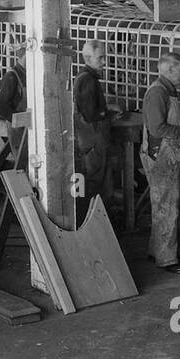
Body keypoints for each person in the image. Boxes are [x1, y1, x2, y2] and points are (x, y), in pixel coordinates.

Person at [141, 49, 180, 273]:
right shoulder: (158, 93)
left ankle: (157, 250)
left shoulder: (167, 90)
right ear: (168, 69)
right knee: (167, 207)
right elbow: (157, 128)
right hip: (161, 156)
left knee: (162, 205)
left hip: (166, 154)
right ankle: (167, 259)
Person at [73, 39, 114, 225]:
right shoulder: (88, 80)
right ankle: (91, 226)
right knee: (93, 185)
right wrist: (107, 112)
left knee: (96, 184)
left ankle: (94, 224)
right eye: (101, 58)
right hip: (91, 142)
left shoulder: (85, 78)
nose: (105, 62)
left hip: (90, 142)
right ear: (88, 58)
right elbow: (90, 115)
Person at [0, 48, 28, 168]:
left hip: (29, 126)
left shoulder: (30, 74)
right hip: (18, 128)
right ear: (23, 56)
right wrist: (17, 121)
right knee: (22, 163)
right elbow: (1, 106)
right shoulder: (12, 76)